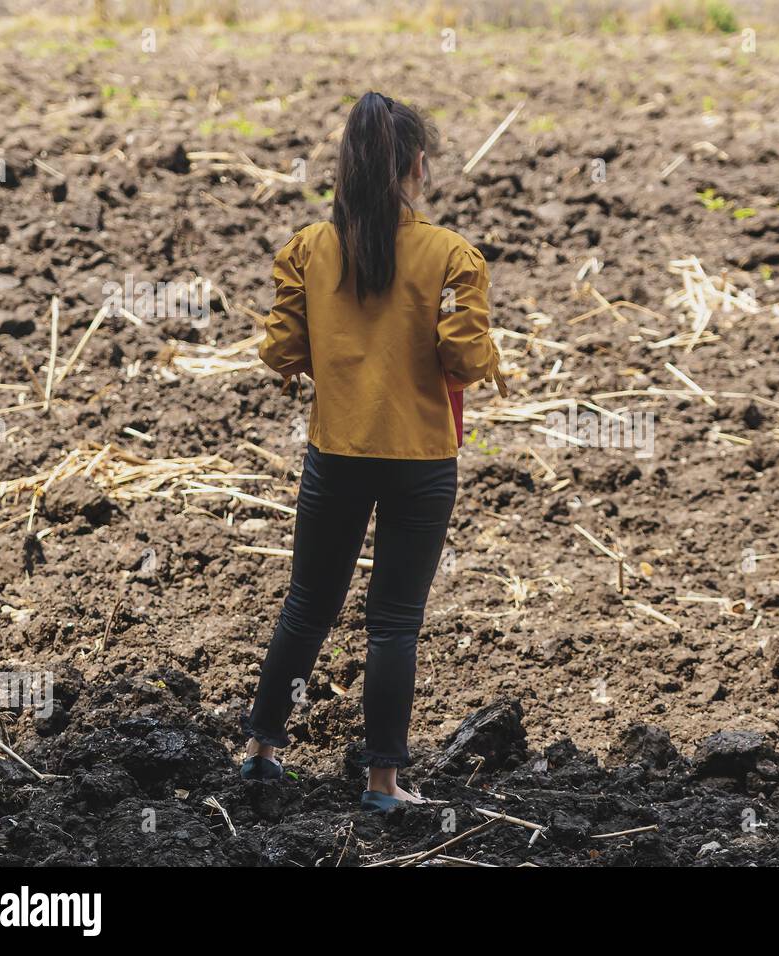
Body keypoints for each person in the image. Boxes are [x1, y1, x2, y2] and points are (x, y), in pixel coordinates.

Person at [239, 92, 505, 814]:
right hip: (421, 460)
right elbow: (465, 354)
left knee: (306, 607)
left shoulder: (308, 250)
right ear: (417, 165)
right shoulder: (452, 256)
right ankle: (382, 783)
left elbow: (280, 351)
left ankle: (263, 750)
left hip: (337, 453)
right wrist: (486, 350)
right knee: (393, 623)